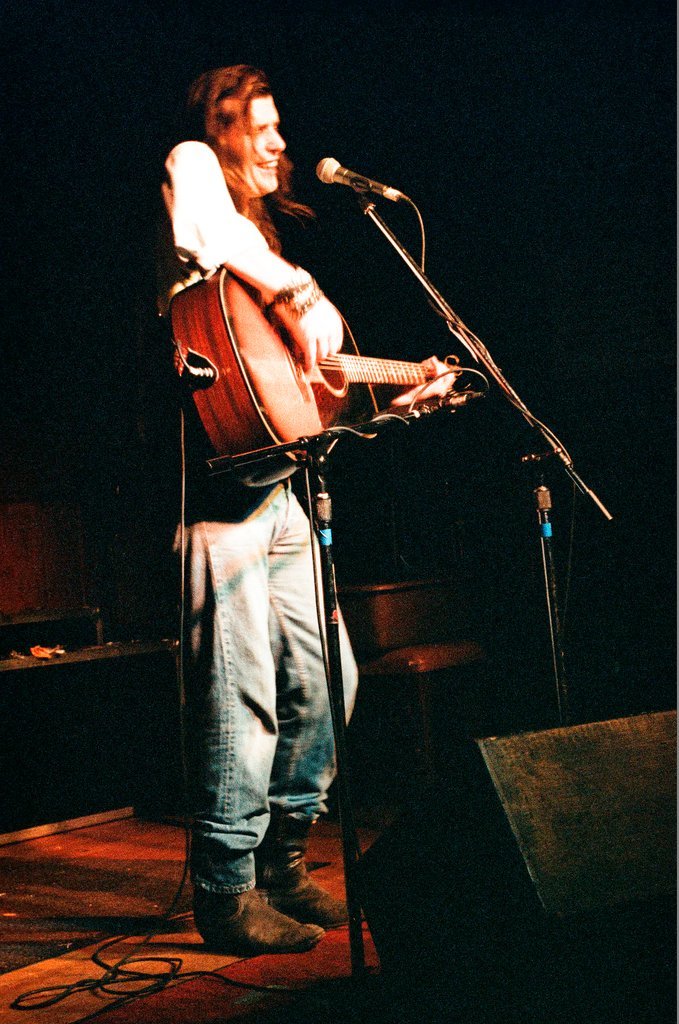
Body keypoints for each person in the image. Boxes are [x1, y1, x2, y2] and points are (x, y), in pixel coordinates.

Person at [157, 64, 451, 957]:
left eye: (279, 124)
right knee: (237, 693)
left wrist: (391, 400)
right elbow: (205, 230)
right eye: (259, 124)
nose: (280, 142)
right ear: (217, 130)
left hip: (278, 487)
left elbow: (302, 404)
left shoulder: (266, 253)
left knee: (330, 680)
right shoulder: (198, 185)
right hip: (216, 495)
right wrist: (298, 289)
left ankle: (284, 862)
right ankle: (224, 886)